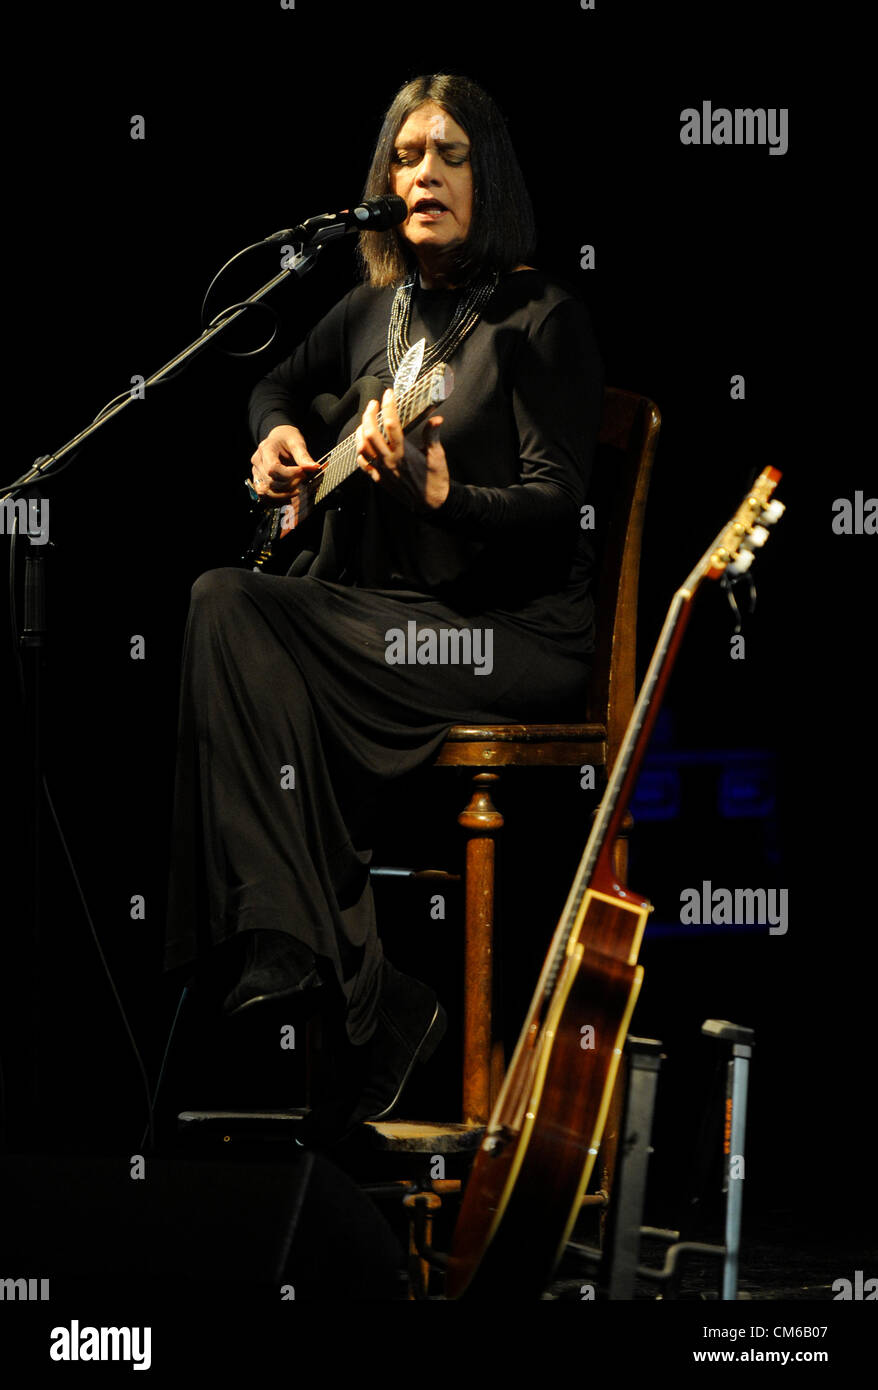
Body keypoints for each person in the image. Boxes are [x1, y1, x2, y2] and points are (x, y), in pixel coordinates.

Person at [162, 73, 604, 1146]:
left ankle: (315, 963)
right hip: (383, 625)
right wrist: (275, 441)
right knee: (230, 602)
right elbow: (272, 385)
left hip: (507, 637)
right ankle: (350, 981)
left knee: (238, 618)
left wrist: (445, 493)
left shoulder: (538, 317)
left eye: (448, 155)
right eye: (404, 158)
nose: (422, 175)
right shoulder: (371, 311)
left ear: (484, 174)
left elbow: (558, 506)